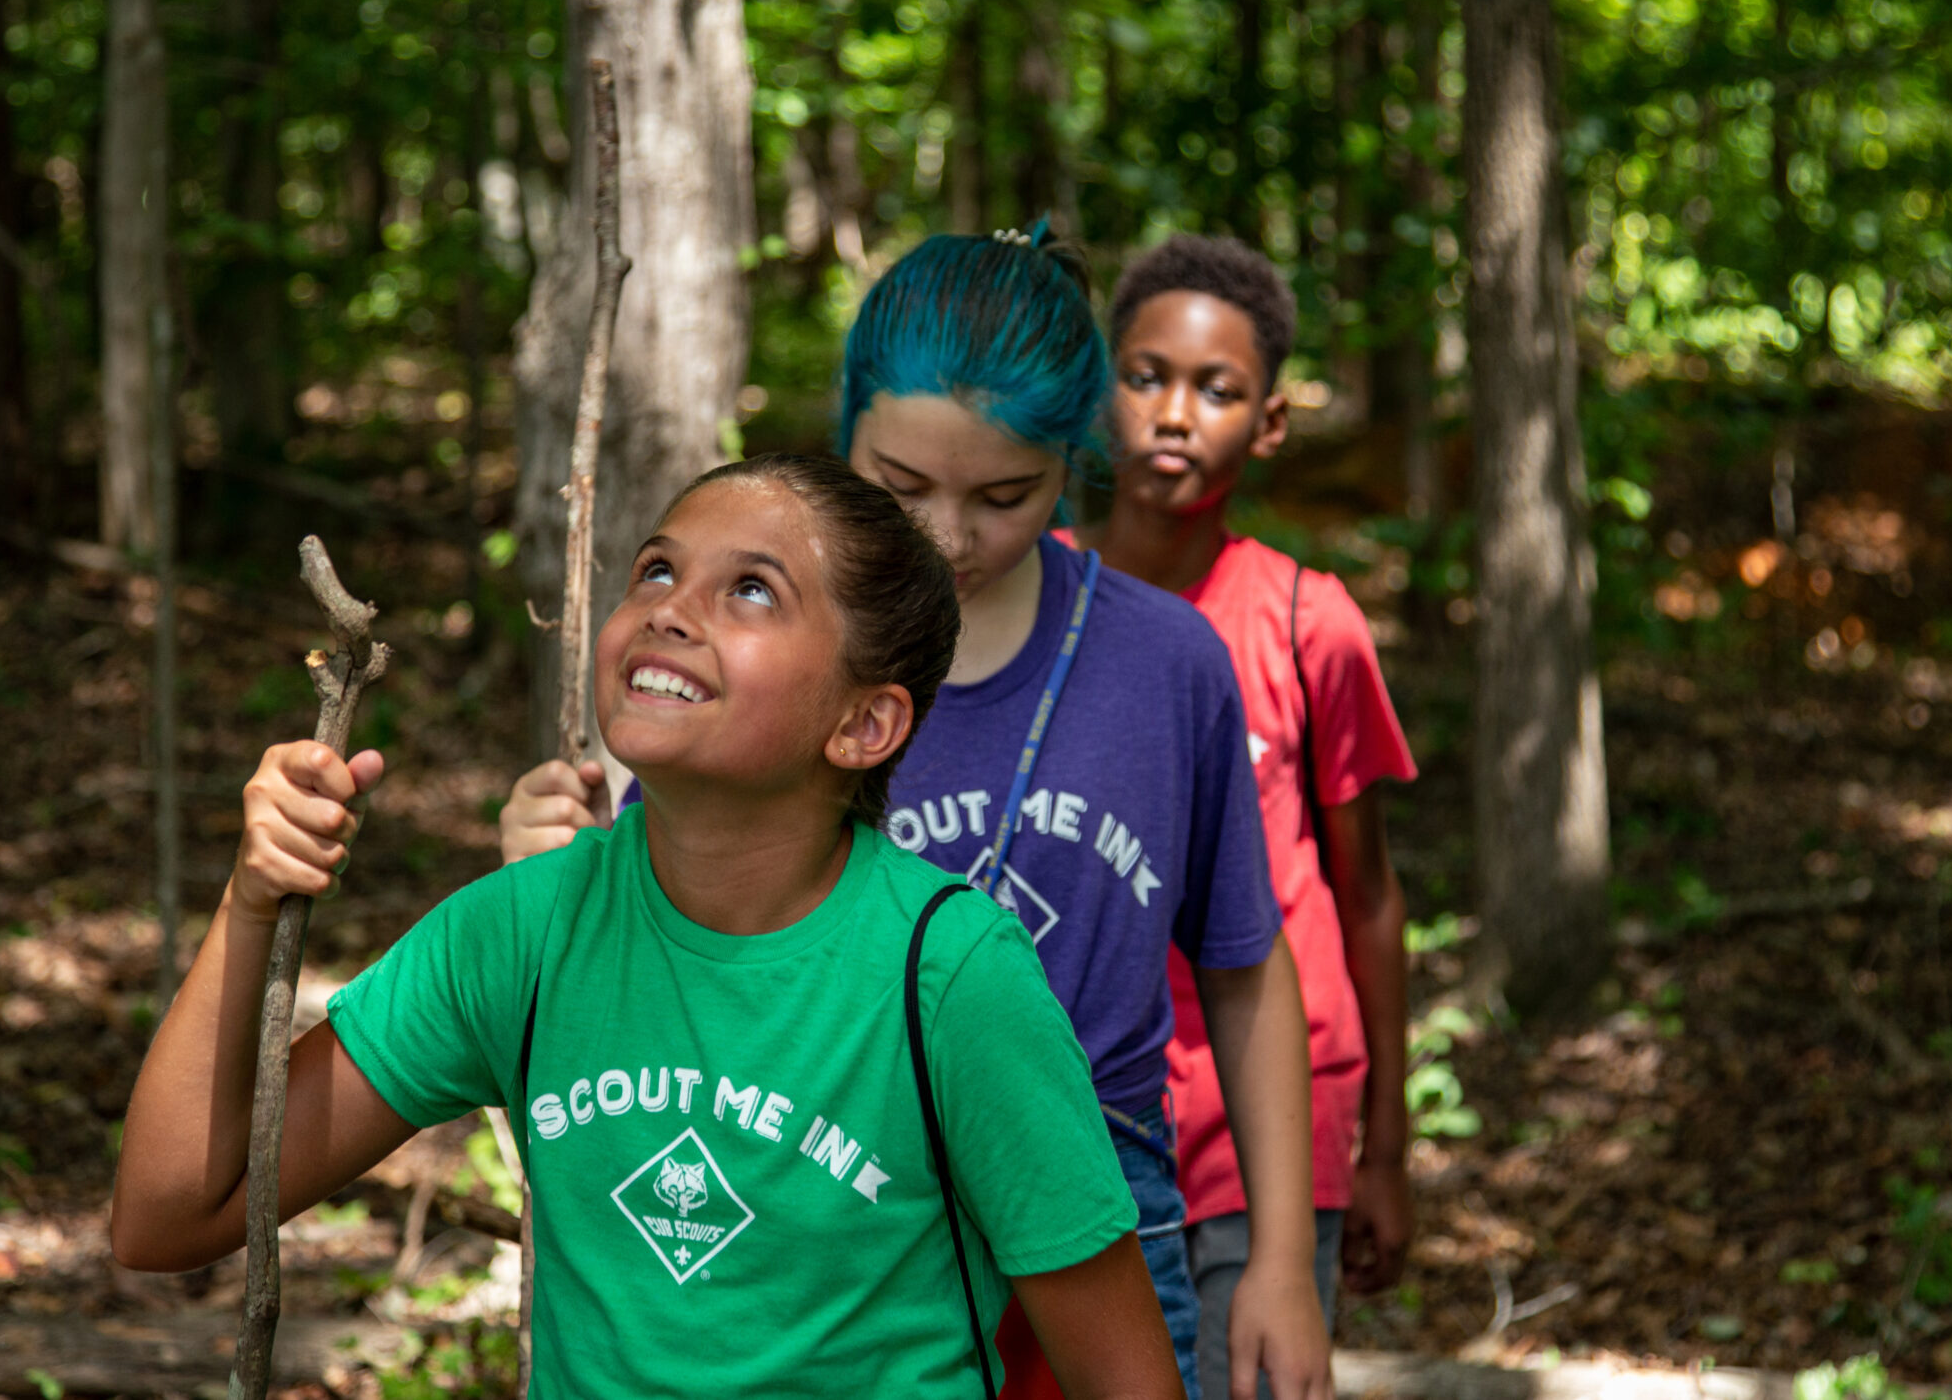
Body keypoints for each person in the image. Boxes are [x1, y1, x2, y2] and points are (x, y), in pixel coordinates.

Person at [111, 453, 1185, 1400]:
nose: (672, 608)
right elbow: (169, 1218)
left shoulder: (948, 975)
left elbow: (1124, 1379)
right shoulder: (522, 934)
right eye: (657, 570)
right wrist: (253, 898)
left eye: (751, 591)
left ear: (864, 723)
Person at [506, 232, 1332, 1400]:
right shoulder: (773, 671)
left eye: (1005, 495)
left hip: (1106, 1207)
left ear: (1070, 464)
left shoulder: (1166, 665)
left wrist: (1283, 1263)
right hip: (837, 1207)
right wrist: (554, 875)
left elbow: (1245, 970)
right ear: (845, 437)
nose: (948, 535)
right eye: (901, 488)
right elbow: (667, 952)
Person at [1076, 235, 1420, 1400]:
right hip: (1080, 1122)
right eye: (1144, 375)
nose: (1174, 413)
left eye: (1216, 391)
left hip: (1268, 1134)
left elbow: (1366, 895)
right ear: (1096, 387)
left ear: (1267, 423)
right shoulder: (1032, 611)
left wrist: (1387, 1151)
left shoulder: (1303, 624)